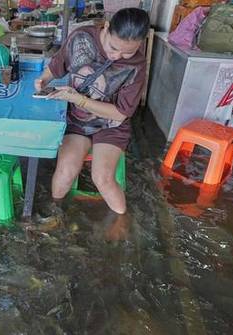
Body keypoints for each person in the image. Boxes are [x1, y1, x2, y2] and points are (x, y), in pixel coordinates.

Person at [34, 8, 149, 215]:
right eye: (114, 48)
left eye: (128, 52)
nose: (117, 57)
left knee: (102, 178)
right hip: (77, 121)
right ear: (106, 27)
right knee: (66, 170)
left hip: (111, 125)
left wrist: (80, 100)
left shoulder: (137, 66)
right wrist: (43, 80)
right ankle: (55, 214)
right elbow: (57, 64)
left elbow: (120, 114)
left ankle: (121, 226)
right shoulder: (81, 38)